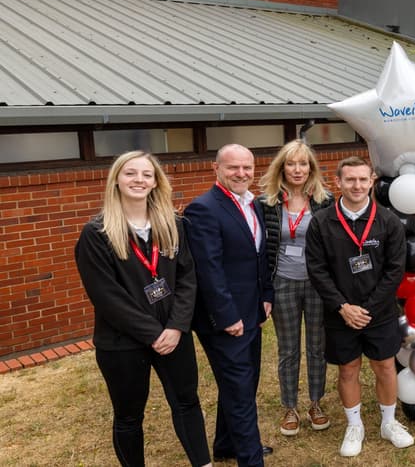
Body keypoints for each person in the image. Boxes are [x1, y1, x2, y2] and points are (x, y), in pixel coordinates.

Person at [75, 151, 212, 467]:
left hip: (174, 335)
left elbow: (188, 277)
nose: (139, 180)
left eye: (146, 174)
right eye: (130, 173)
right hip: (122, 343)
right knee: (128, 416)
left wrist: (176, 326)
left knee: (187, 402)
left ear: (155, 182)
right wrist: (154, 334)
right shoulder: (97, 234)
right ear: (117, 180)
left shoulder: (174, 225)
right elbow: (107, 296)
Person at [305, 156, 412, 458]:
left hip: (379, 313)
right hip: (340, 314)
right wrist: (343, 307)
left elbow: (395, 270)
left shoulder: (388, 221)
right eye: (350, 179)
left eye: (363, 179)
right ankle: (355, 426)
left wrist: (369, 308)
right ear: (337, 182)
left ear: (372, 181)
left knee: (385, 366)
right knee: (348, 369)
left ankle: (388, 423)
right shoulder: (322, 222)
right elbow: (317, 270)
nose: (357, 185)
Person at [186, 144, 272, 466]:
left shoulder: (253, 204)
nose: (241, 174)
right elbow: (209, 268)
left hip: (252, 311)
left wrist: (267, 297)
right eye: (233, 168)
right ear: (216, 169)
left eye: (247, 168)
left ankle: (226, 445)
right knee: (239, 391)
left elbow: (258, 255)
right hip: (225, 319)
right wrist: (227, 317)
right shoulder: (203, 208)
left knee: (244, 383)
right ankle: (251, 460)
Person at [257, 139, 333, 437]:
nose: (297, 169)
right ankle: (290, 406)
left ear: (310, 168)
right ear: (282, 168)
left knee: (317, 347)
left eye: (303, 163)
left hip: (317, 285)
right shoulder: (267, 203)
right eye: (291, 163)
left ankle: (315, 403)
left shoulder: (324, 201)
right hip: (283, 283)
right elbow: (261, 251)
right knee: (288, 349)